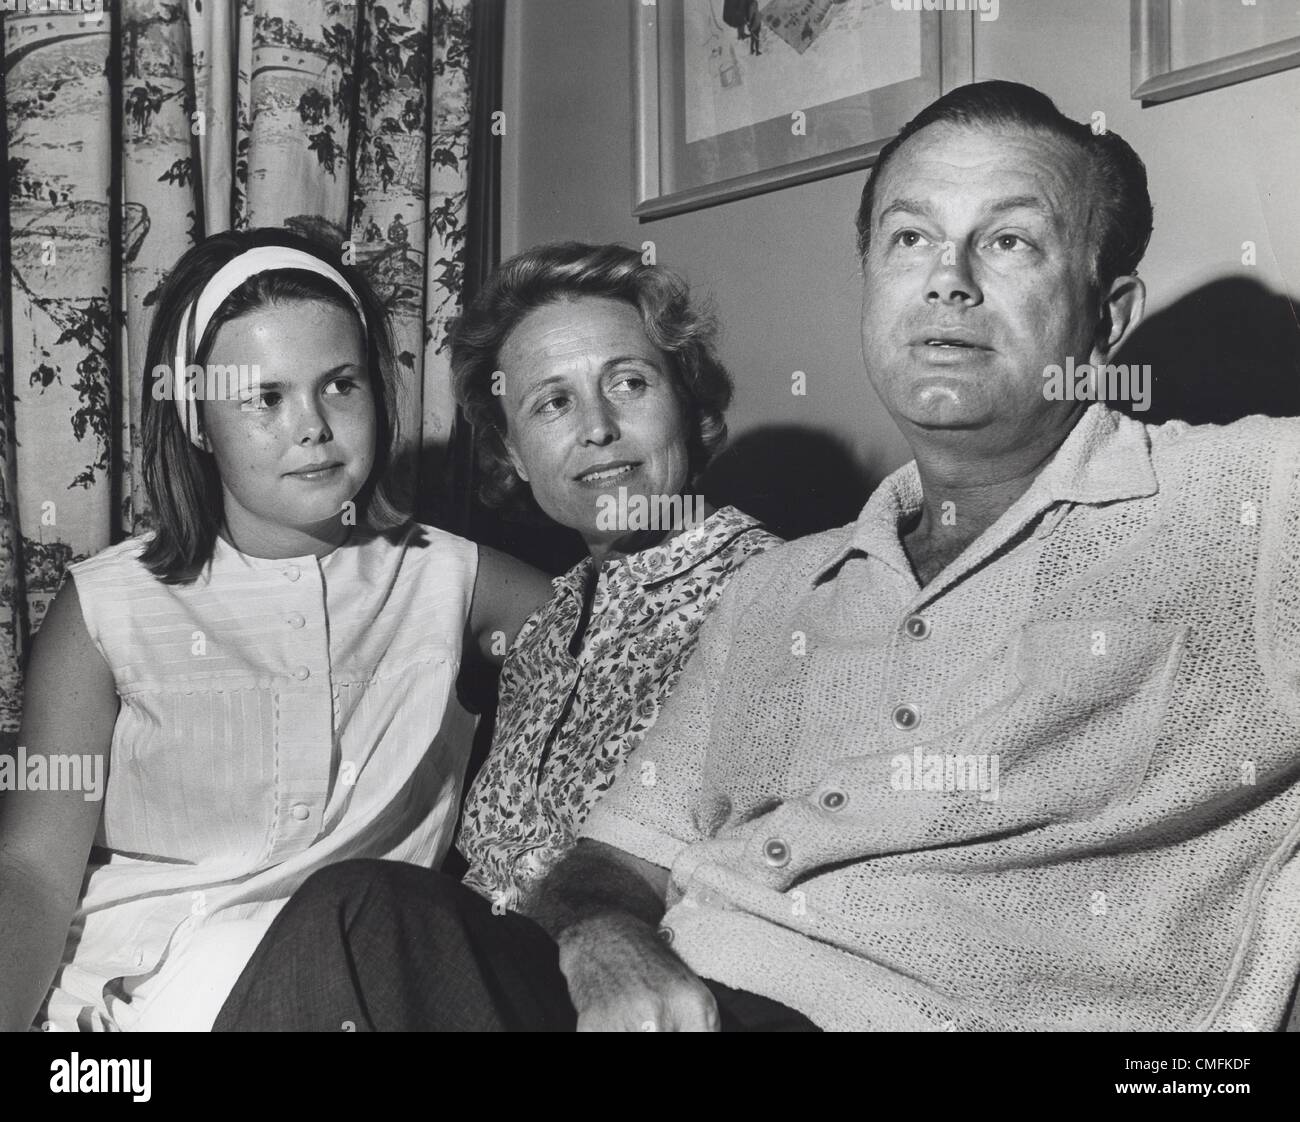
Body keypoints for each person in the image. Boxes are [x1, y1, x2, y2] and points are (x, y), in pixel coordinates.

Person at [218, 79, 1300, 1033]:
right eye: (909, 239)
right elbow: (606, 862)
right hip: (682, 1004)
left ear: (1106, 317)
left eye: (1010, 240)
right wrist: (606, 944)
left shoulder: (1239, 503)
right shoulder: (782, 590)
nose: (948, 281)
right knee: (363, 919)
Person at [212, 243, 780, 1029]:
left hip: (659, 993)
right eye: (553, 403)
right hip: (502, 979)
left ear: (689, 401)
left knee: (359, 909)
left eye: (629, 382)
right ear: (513, 449)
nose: (599, 429)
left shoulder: (783, 598)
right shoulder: (546, 630)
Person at [0, 227, 550, 1032]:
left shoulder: (452, 577)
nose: (313, 427)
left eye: (341, 385)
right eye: (264, 397)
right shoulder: (104, 607)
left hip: (355, 983)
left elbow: (626, 640)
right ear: (195, 420)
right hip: (123, 1012)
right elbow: (33, 870)